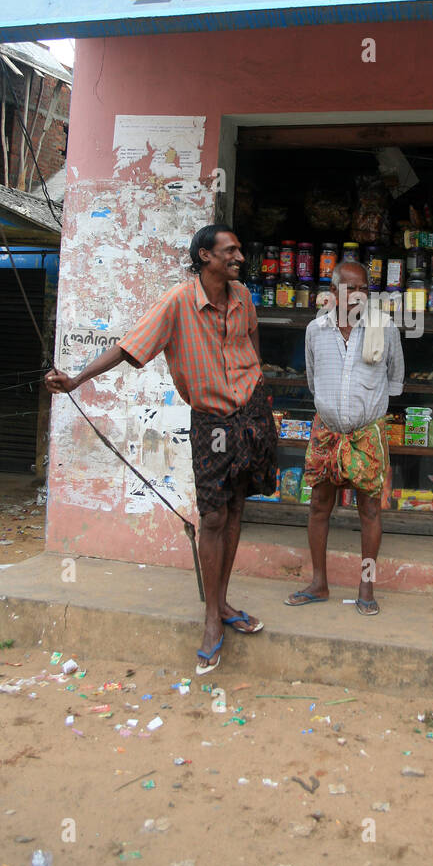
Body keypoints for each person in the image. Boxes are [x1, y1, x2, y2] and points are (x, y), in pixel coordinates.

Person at [44, 223, 277, 675]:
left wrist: (259, 377)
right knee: (213, 514)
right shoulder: (176, 303)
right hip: (212, 421)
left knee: (236, 507)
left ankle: (224, 602)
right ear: (205, 257)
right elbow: (127, 349)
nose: (239, 258)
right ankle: (212, 618)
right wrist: (75, 379)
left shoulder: (243, 296)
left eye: (240, 250)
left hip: (252, 413)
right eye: (230, 251)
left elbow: (251, 337)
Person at [285, 261, 404, 616]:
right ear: (332, 291)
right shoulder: (315, 331)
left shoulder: (385, 329)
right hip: (326, 432)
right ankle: (319, 582)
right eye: (350, 288)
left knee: (369, 510)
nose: (357, 295)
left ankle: (366, 585)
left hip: (368, 433)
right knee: (319, 506)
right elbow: (313, 381)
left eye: (364, 289)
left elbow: (395, 379)